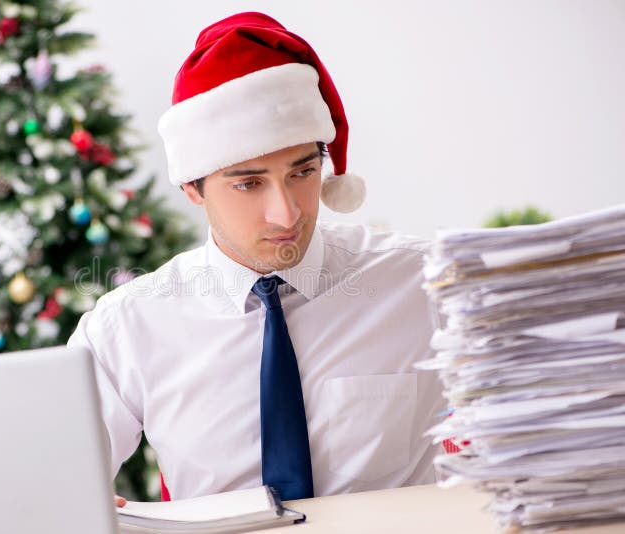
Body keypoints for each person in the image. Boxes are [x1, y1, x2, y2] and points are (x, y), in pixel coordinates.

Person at [68, 11, 445, 503]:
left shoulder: (427, 283)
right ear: (192, 188)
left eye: (303, 172)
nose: (286, 213)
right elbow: (48, 481)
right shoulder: (128, 328)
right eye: (248, 183)